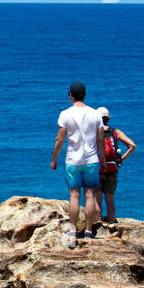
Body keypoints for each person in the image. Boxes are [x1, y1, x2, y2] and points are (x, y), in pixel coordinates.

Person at [51, 81, 106, 241]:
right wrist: (102, 158)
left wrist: (54, 159)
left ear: (70, 95)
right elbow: (100, 139)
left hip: (72, 161)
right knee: (90, 195)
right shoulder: (95, 114)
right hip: (91, 160)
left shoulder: (65, 114)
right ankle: (89, 231)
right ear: (85, 95)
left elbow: (59, 140)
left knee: (74, 195)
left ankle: (73, 230)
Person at [95, 107, 137, 224]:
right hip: (112, 169)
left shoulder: (93, 132)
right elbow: (132, 146)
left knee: (97, 200)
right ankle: (112, 224)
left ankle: (99, 225)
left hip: (97, 169)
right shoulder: (115, 132)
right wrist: (120, 160)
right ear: (108, 119)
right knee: (110, 200)